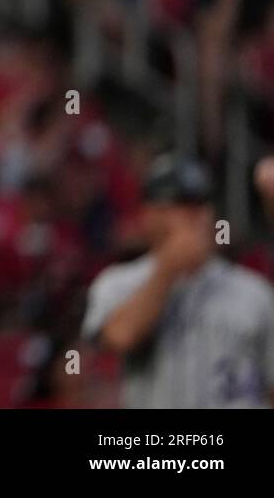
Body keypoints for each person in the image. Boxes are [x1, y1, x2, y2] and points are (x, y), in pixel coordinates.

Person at [81, 153, 274, 407]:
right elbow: (120, 337)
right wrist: (168, 269)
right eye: (178, 205)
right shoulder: (118, 282)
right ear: (148, 214)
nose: (194, 217)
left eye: (200, 204)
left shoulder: (254, 290)